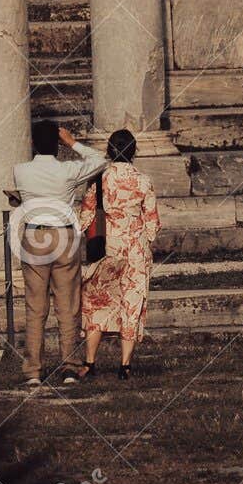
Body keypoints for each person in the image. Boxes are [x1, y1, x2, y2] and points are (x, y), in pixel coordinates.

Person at [11, 120, 106, 387]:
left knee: (35, 306)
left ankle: (32, 370)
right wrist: (72, 142)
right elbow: (100, 160)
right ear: (57, 143)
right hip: (63, 234)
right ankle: (70, 367)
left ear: (33, 143)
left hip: (34, 235)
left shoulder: (20, 170)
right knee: (68, 306)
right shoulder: (68, 170)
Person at [75, 129, 162, 380]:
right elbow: (153, 224)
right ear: (134, 151)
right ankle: (125, 365)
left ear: (109, 150)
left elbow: (86, 217)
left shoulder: (99, 179)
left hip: (106, 247)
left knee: (95, 302)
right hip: (136, 249)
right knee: (131, 305)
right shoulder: (144, 181)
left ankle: (90, 362)